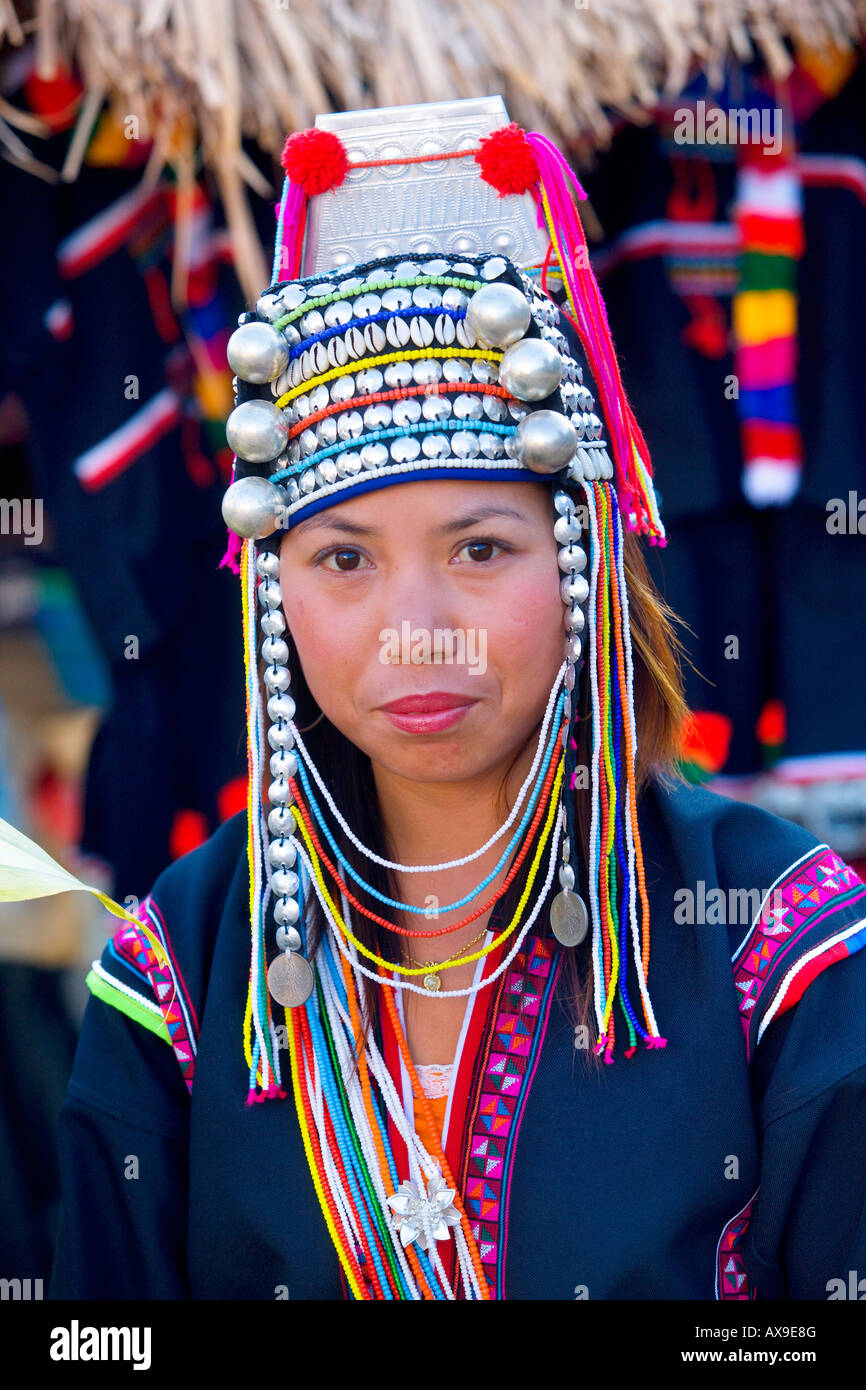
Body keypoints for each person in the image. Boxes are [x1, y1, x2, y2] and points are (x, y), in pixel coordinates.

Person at [48, 102, 866, 1301]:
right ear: (270, 588)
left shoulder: (778, 944)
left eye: (479, 549)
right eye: (343, 559)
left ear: (578, 552)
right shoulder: (178, 961)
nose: (414, 624)